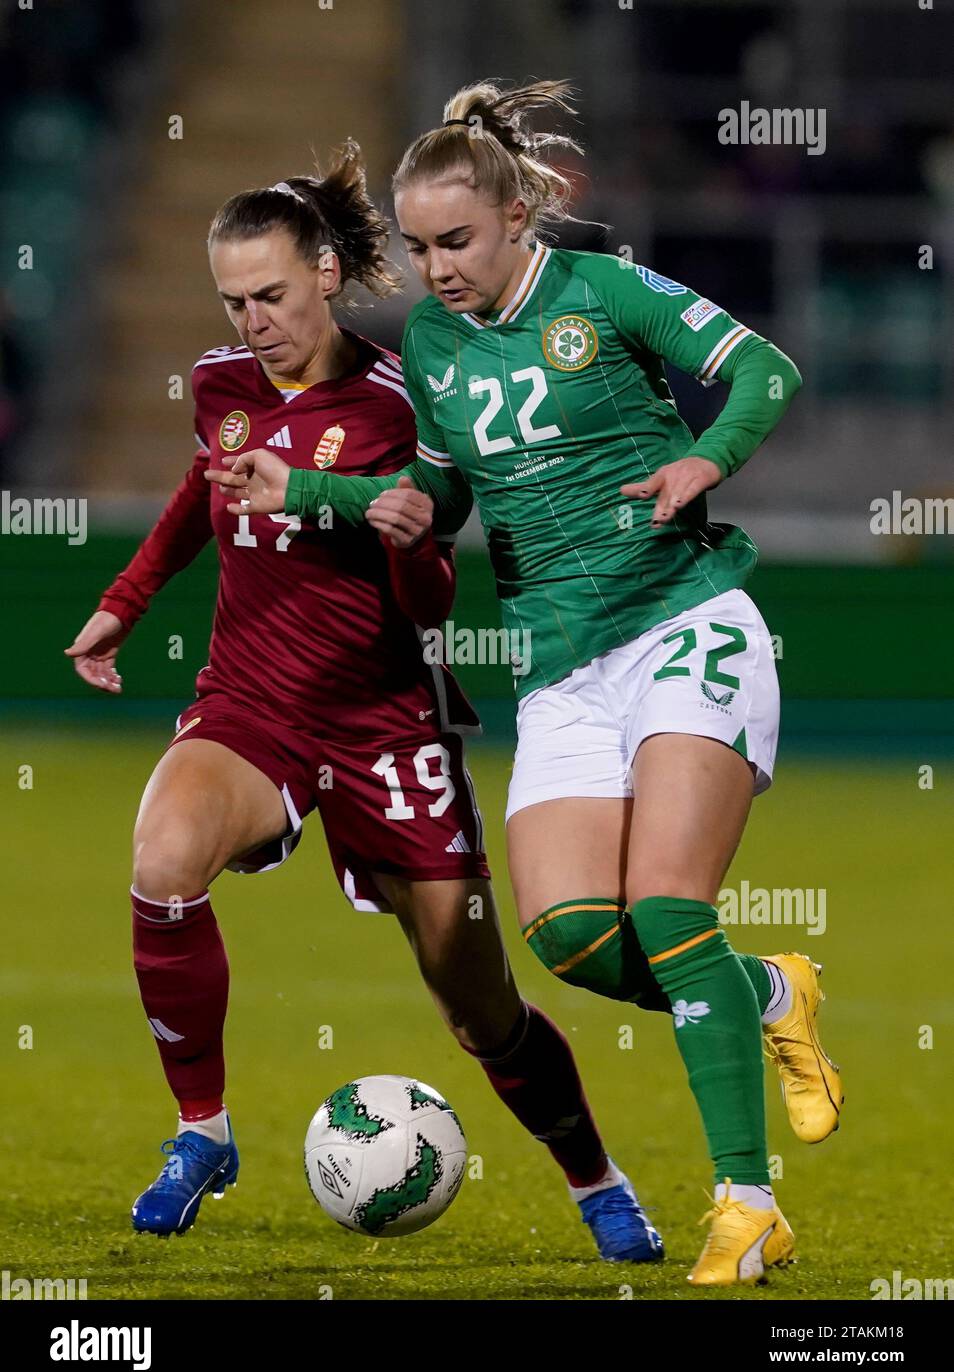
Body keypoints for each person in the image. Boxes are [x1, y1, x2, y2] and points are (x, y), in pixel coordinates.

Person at [209, 84, 844, 1287]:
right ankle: (769, 988)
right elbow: (445, 491)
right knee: (570, 937)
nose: (436, 269)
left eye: (458, 241)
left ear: (516, 217)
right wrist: (341, 500)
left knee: (665, 908)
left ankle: (747, 1203)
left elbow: (763, 368)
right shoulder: (437, 349)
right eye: (418, 247)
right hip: (559, 666)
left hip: (679, 621)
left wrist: (701, 458)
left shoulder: (602, 293)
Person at [65, 144, 666, 1260]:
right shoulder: (220, 387)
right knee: (160, 861)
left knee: (479, 1002)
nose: (253, 321)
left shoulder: (407, 398)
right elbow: (203, 490)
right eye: (234, 301)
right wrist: (124, 603)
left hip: (388, 723)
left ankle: (595, 1178)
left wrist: (402, 545)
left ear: (329, 274)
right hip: (253, 708)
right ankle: (203, 1131)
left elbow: (432, 595)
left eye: (273, 296)